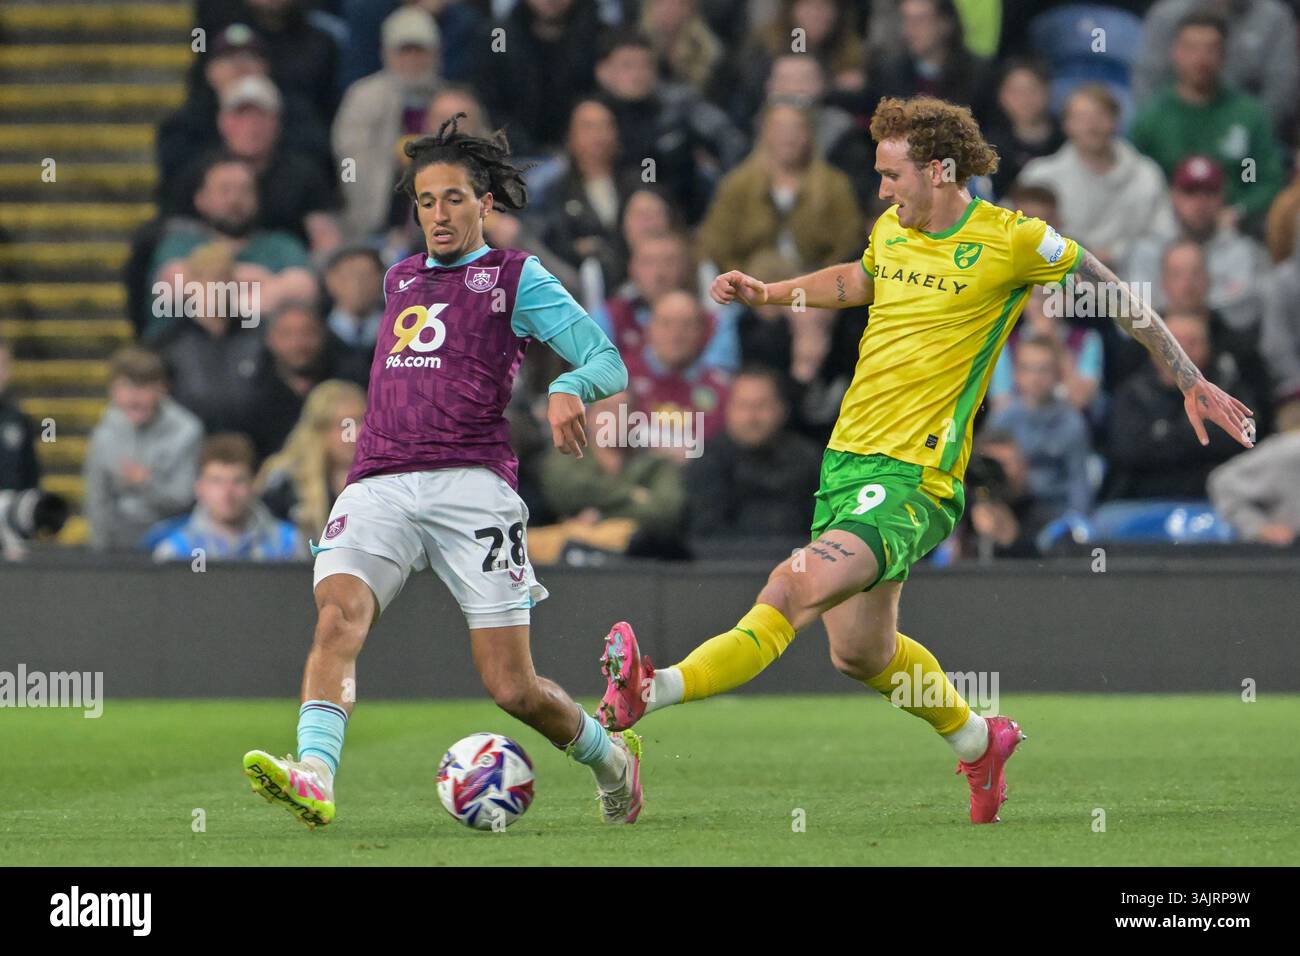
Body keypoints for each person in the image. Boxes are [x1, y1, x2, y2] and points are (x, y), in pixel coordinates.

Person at [593, 95, 1255, 825]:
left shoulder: (1012, 240)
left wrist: (1190, 379)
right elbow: (857, 280)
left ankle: (651, 691)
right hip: (846, 465)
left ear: (939, 170)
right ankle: (981, 740)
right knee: (861, 655)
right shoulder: (893, 230)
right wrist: (772, 293)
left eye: (890, 174)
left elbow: (1113, 290)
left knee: (794, 584)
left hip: (914, 478)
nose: (882, 189)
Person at [242, 114, 642, 831]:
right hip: (380, 479)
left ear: (485, 202)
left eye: (454, 198)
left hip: (473, 486)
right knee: (337, 616)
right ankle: (315, 773)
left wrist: (564, 389)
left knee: (512, 688)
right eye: (425, 202)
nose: (438, 214)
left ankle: (611, 759)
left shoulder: (516, 276)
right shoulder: (399, 277)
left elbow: (606, 360)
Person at [82, 347, 203, 552]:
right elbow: (97, 499)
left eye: (143, 387)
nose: (134, 398)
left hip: (171, 536)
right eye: (126, 387)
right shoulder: (104, 430)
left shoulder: (187, 430)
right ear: (112, 391)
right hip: (118, 539)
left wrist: (146, 483)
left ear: (162, 389)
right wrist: (100, 553)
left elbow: (184, 498)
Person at [153, 433, 306, 562]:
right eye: (216, 481)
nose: (227, 492)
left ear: (254, 485)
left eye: (238, 481)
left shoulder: (289, 544)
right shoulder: (175, 552)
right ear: (199, 488)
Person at [257, 380, 367, 544]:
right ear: (319, 431)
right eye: (346, 425)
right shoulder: (285, 485)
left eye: (361, 422)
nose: (357, 434)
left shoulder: (386, 480)